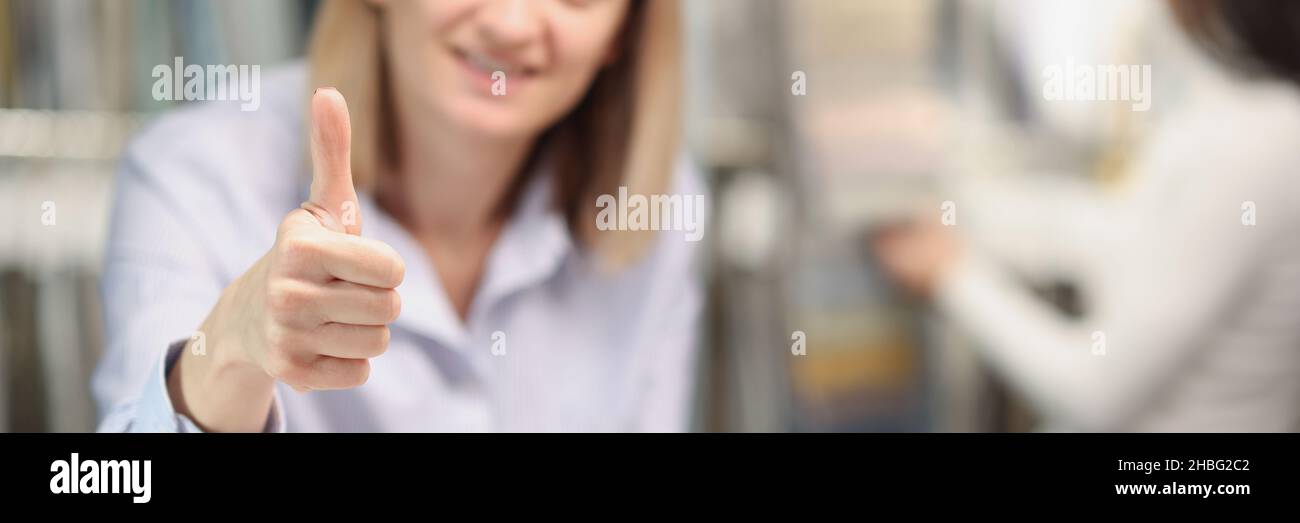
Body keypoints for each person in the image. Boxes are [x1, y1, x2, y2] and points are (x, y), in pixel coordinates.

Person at [94, 0, 704, 432]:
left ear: (623, 29)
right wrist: (231, 345)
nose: (511, 21)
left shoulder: (658, 210)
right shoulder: (194, 176)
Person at [875, 0, 1300, 431]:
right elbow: (1120, 232)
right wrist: (959, 211)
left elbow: (1094, 393)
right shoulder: (1248, 124)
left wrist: (951, 276)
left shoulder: (1249, 145)